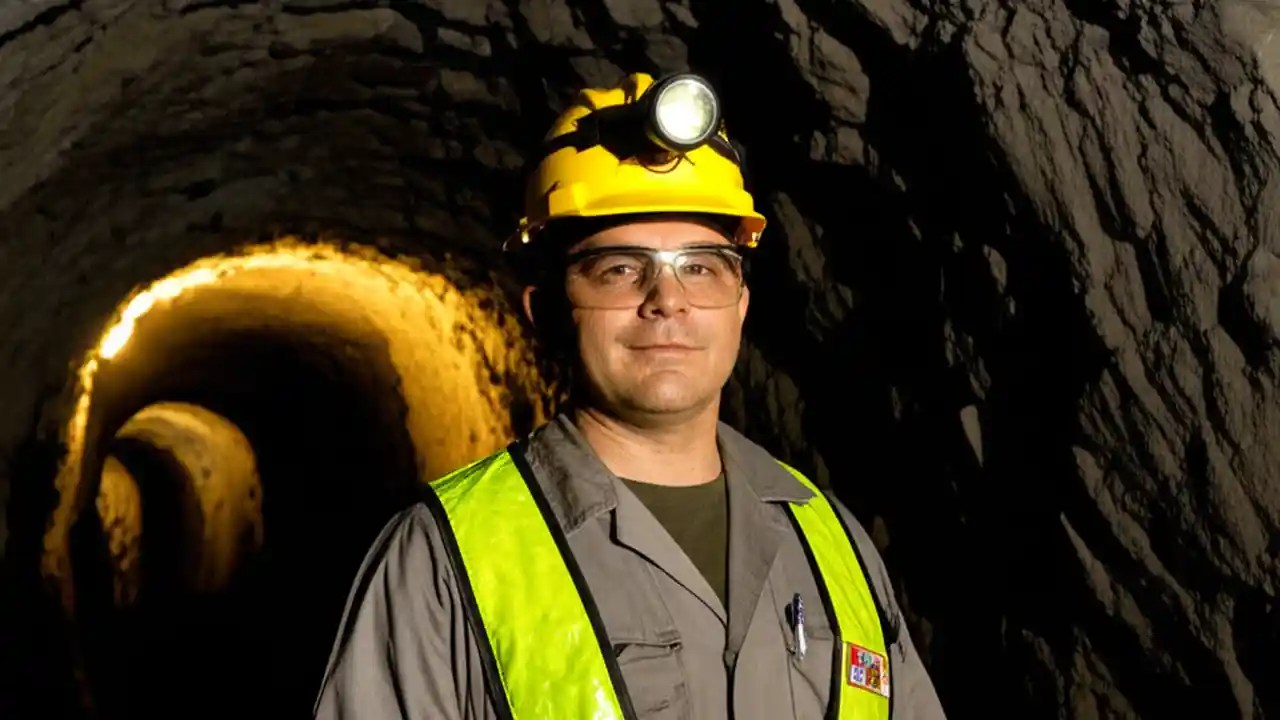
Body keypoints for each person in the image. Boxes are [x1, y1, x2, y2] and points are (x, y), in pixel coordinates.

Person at [312, 71, 946, 720]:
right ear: (549, 313)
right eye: (619, 268)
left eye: (700, 267)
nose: (667, 300)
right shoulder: (442, 561)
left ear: (741, 305)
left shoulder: (831, 540)